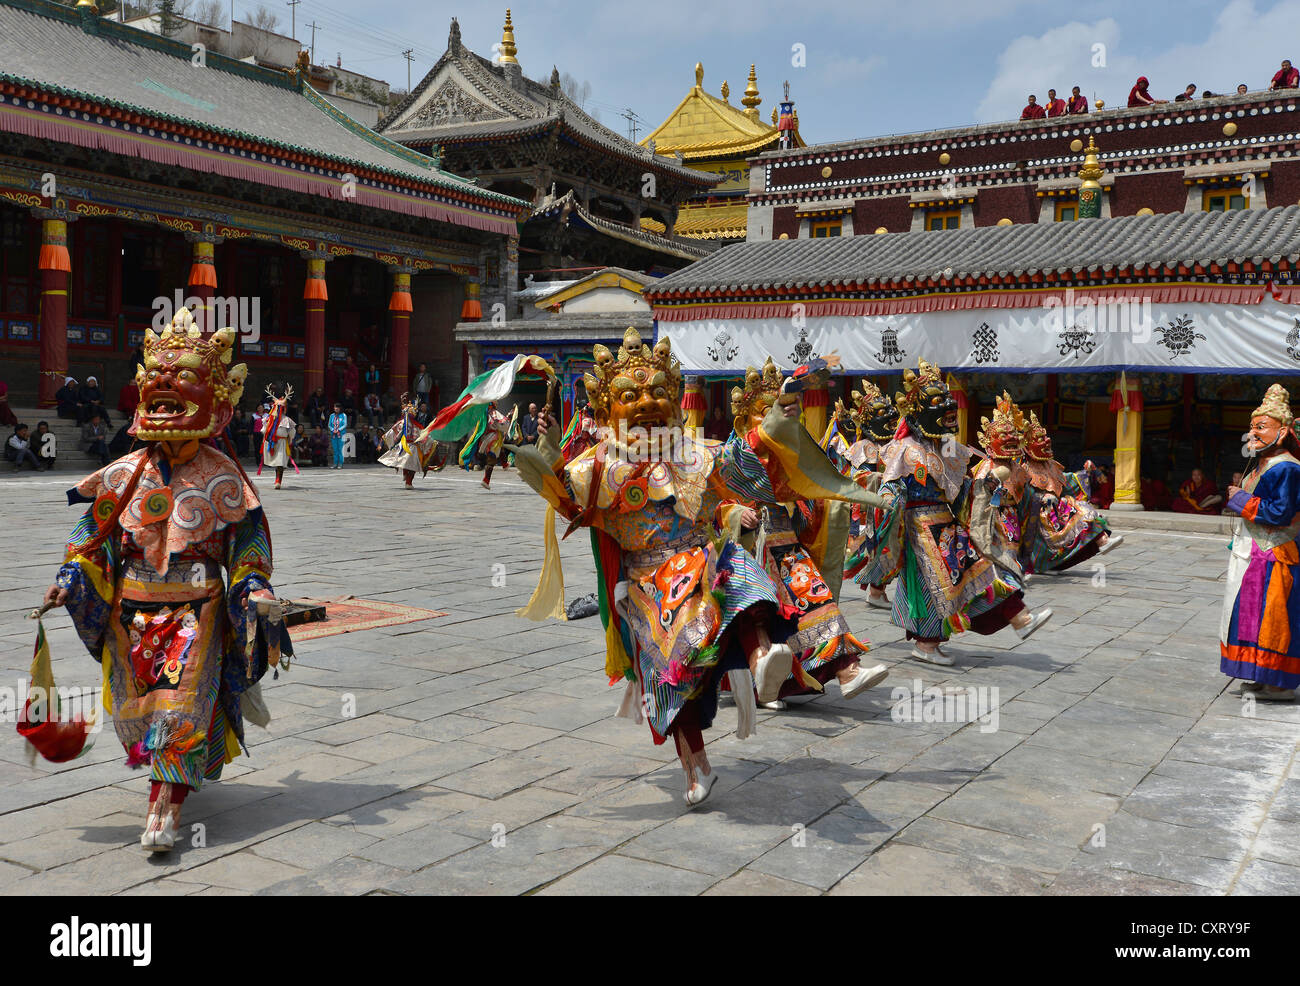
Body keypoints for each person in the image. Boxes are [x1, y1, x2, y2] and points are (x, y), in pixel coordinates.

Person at [508, 329, 881, 805]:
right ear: (606, 411)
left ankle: (764, 655)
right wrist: (545, 468)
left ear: (677, 404)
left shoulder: (693, 453)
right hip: (648, 586)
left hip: (699, 560)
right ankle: (696, 767)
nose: (646, 402)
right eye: (629, 396)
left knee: (739, 571)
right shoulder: (599, 466)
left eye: (658, 392)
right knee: (672, 682)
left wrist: (767, 434)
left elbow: (738, 466)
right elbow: (571, 504)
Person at [39, 308, 292, 852]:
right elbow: (93, 537)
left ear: (219, 405)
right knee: (145, 707)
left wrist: (255, 587)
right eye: (154, 376)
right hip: (129, 614)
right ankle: (163, 782)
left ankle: (166, 803)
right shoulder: (125, 474)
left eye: (180, 378)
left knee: (182, 705)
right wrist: (70, 576)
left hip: (195, 611)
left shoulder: (225, 478)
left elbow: (248, 550)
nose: (161, 386)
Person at [851, 360, 1052, 666]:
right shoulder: (904, 448)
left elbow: (961, 489)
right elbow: (890, 488)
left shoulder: (944, 448)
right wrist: (887, 509)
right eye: (936, 401)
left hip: (946, 524)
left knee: (980, 567)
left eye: (947, 398)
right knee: (935, 585)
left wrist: (987, 484)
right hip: (918, 528)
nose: (947, 406)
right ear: (918, 410)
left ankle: (1019, 618)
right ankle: (927, 643)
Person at [720, 358, 890, 707]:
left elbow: (813, 491)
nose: (778, 418)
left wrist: (848, 491)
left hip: (786, 544)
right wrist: (734, 513)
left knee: (816, 602)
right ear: (743, 419)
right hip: (748, 551)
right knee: (759, 619)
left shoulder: (790, 458)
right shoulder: (734, 453)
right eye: (764, 411)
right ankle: (762, 686)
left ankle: (848, 671)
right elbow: (712, 503)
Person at [1221, 384, 1300, 700]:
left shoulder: (1288, 468)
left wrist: (1240, 499)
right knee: (1247, 616)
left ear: (1282, 432)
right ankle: (1255, 673)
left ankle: (1278, 681)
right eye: (1252, 427)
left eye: (1261, 427)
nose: (1252, 433)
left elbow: (1280, 513)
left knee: (1273, 620)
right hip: (1254, 555)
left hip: (1275, 554)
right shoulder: (1263, 463)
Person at [1018, 410, 1121, 574]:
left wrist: (1086, 472)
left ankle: (1102, 540)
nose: (1046, 441)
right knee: (1074, 510)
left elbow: (1066, 480)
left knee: (1080, 508)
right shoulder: (1023, 469)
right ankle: (1100, 542)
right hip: (1038, 518)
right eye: (1040, 439)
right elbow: (1021, 495)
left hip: (1057, 511)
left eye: (1045, 437)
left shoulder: (1050, 465)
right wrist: (1041, 497)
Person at [379, 393, 437, 489]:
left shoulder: (404, 423)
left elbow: (393, 433)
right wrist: (432, 442)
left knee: (406, 463)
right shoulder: (415, 426)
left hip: (405, 446)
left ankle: (407, 478)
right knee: (412, 466)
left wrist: (387, 440)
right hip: (411, 448)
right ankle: (409, 482)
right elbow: (424, 436)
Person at [260, 386, 297, 490]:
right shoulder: (269, 419)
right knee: (276, 462)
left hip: (282, 443)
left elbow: (292, 433)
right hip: (273, 442)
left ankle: (278, 481)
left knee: (280, 462)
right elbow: (264, 430)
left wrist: (289, 441)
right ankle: (277, 478)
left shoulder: (287, 420)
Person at [477, 402, 511, 490]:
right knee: (492, 458)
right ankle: (486, 480)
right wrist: (508, 419)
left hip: (487, 438)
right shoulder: (494, 413)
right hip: (493, 437)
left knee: (499, 449)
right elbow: (501, 423)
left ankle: (504, 464)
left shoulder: (484, 414)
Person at [328, 402, 348, 469]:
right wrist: (333, 429)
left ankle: (341, 463)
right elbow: (329, 425)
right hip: (334, 435)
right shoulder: (332, 415)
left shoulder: (344, 415)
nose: (336, 408)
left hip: (341, 435)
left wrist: (338, 430)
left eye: (337, 407)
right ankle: (335, 463)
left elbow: (345, 424)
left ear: (340, 408)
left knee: (341, 449)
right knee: (335, 450)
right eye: (335, 407)